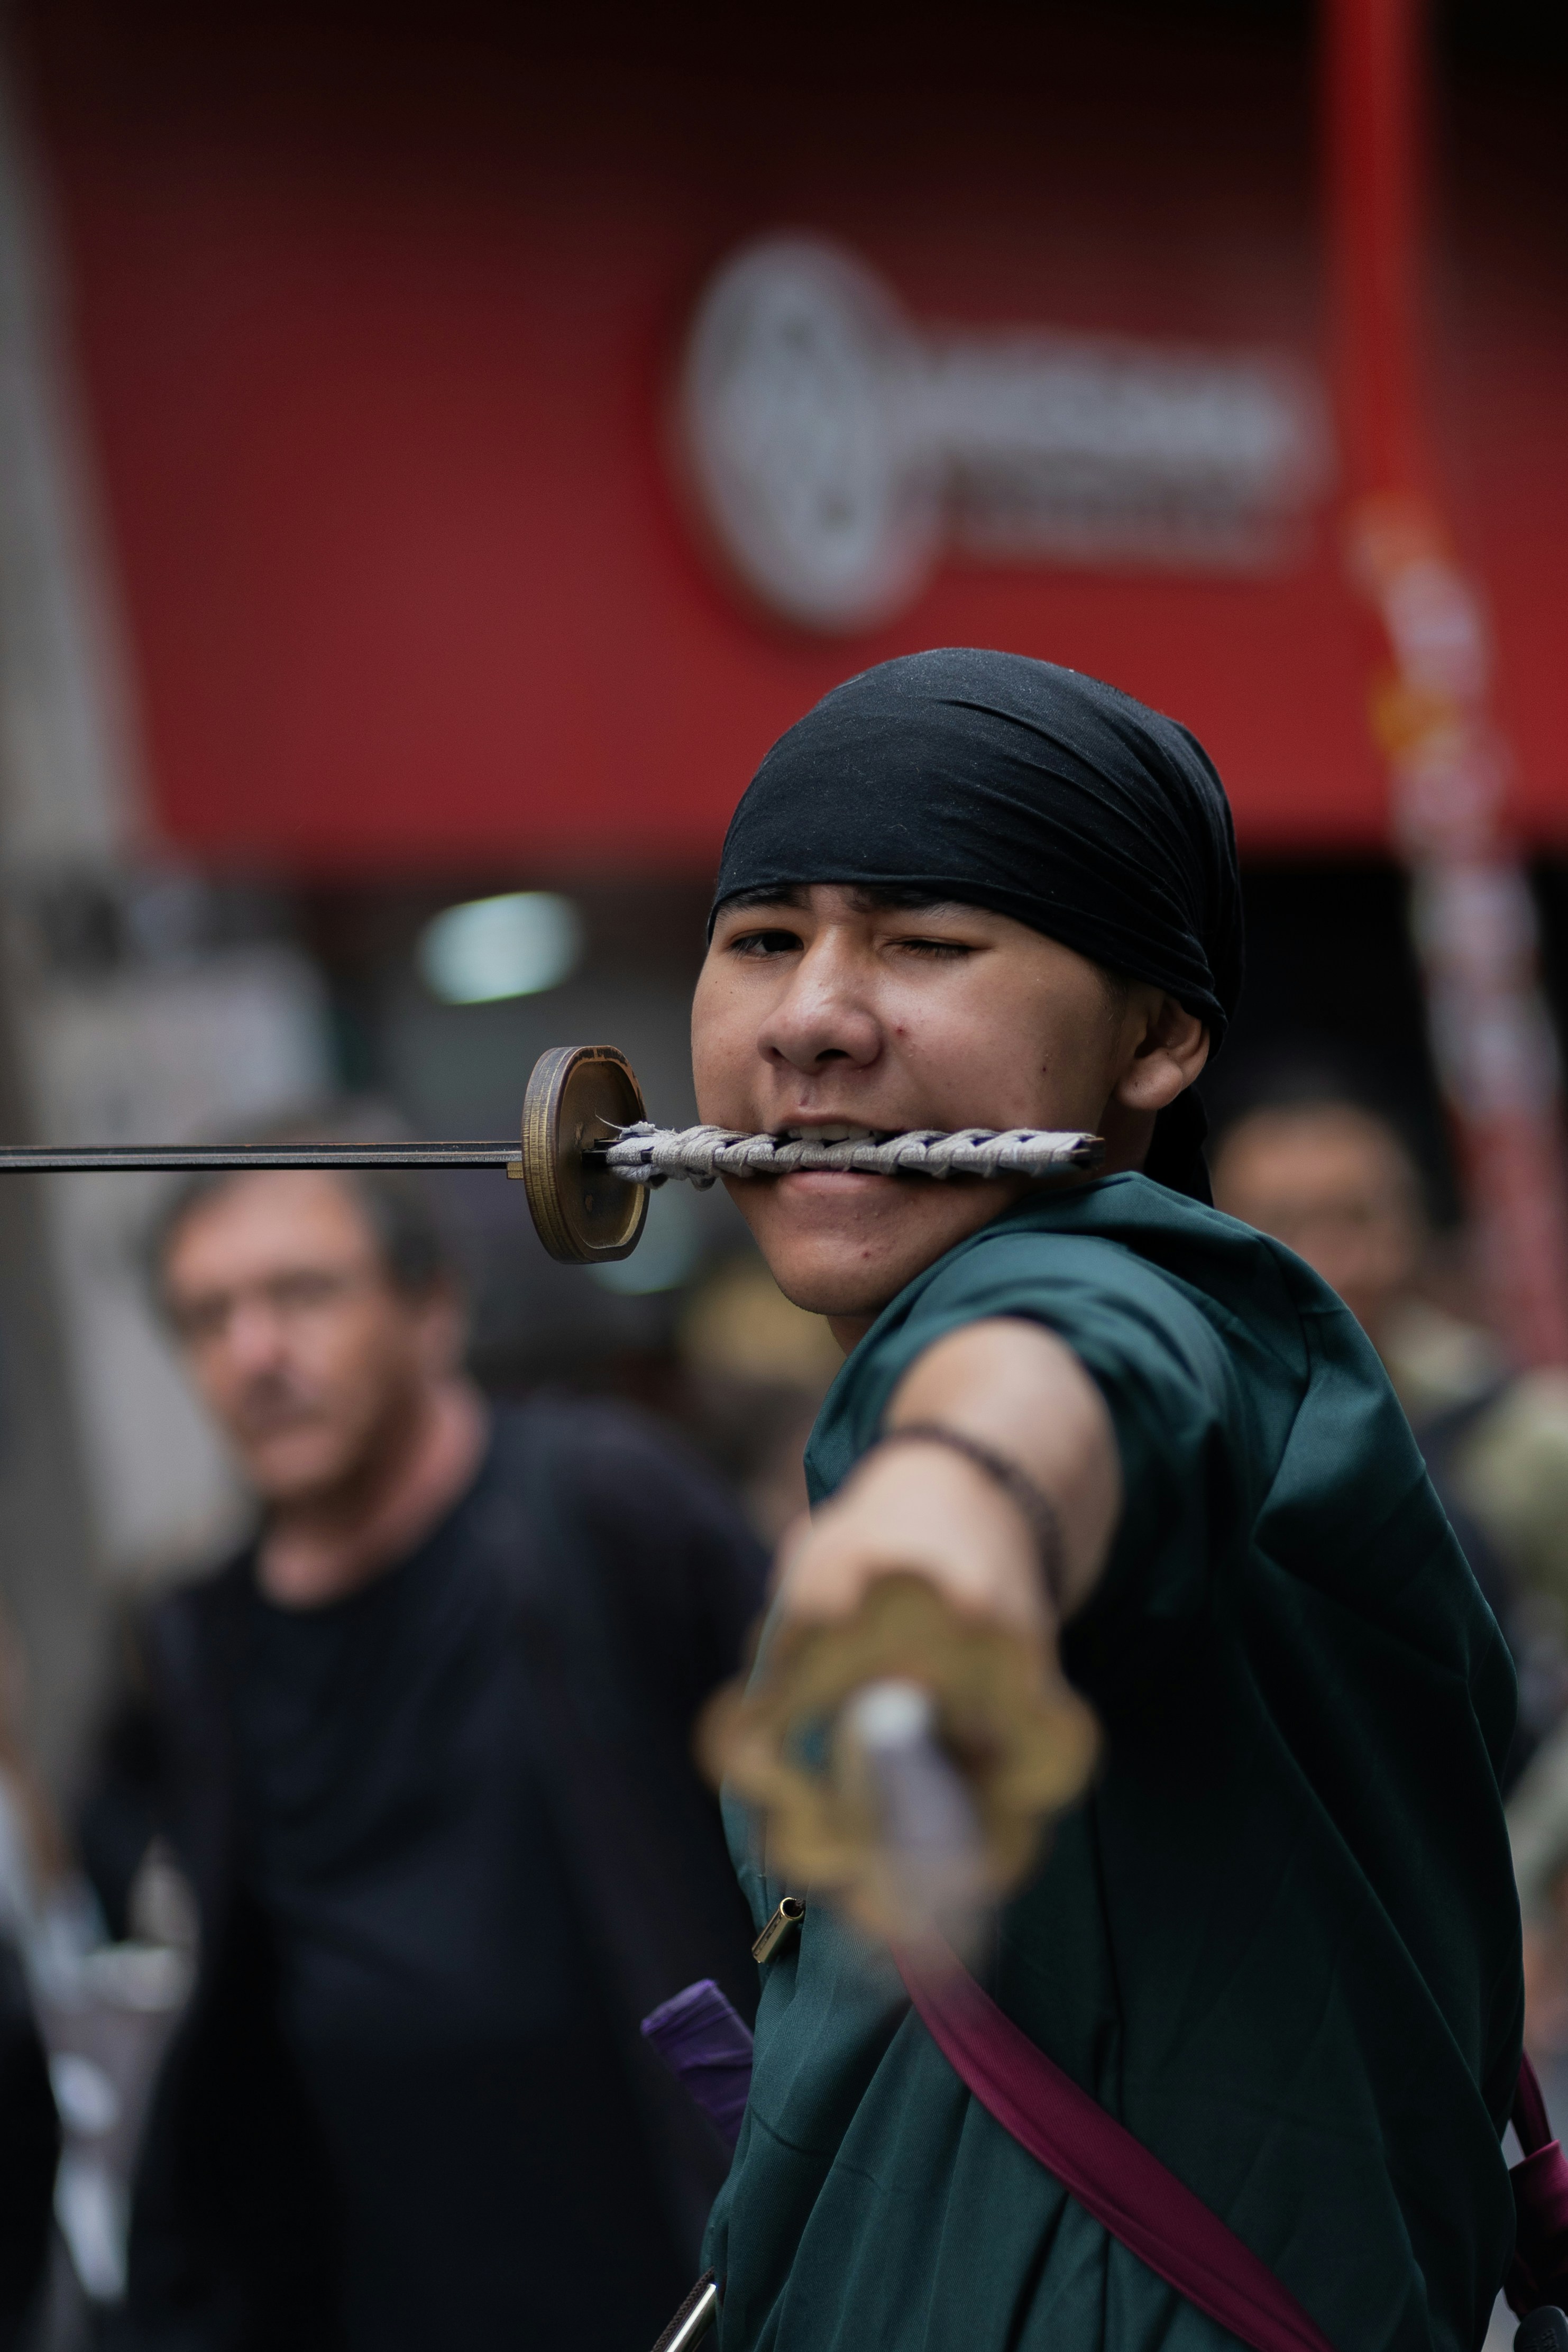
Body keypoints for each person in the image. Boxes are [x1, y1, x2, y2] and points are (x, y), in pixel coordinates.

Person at [689, 650, 1521, 2352]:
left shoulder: (1168, 1305)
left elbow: (1072, 1358)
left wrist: (955, 1510)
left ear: (1154, 1038)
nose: (811, 1016)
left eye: (926, 942)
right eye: (765, 936)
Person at [109, 1140, 766, 2352]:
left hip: (689, 2266)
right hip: (388, 2293)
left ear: (431, 1309)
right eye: (207, 1318)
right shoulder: (197, 1636)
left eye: (302, 1293)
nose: (254, 1354)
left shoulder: (603, 1509)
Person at [1211, 1087, 1568, 1784]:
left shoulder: (1526, 1433)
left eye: (1357, 1217)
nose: (1328, 1260)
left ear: (1413, 1225)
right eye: (1283, 1223)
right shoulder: (1194, 1436)